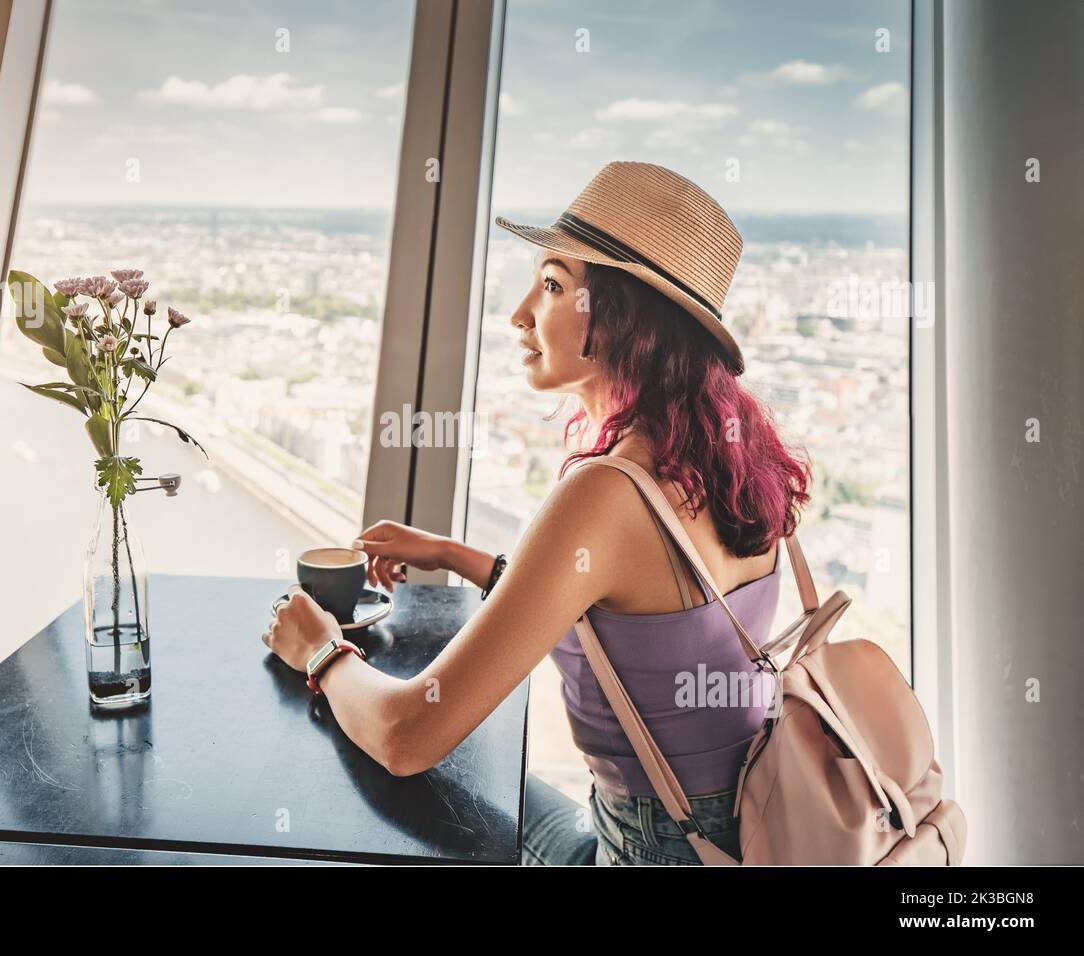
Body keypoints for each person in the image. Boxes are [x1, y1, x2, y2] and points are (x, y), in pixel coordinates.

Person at [262, 162, 811, 865]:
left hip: (649, 852)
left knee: (416, 781)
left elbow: (407, 737)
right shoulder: (737, 460)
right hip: (748, 828)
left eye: (552, 286)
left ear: (623, 318)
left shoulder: (608, 491)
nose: (521, 313)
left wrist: (320, 650)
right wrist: (457, 556)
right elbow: (637, 610)